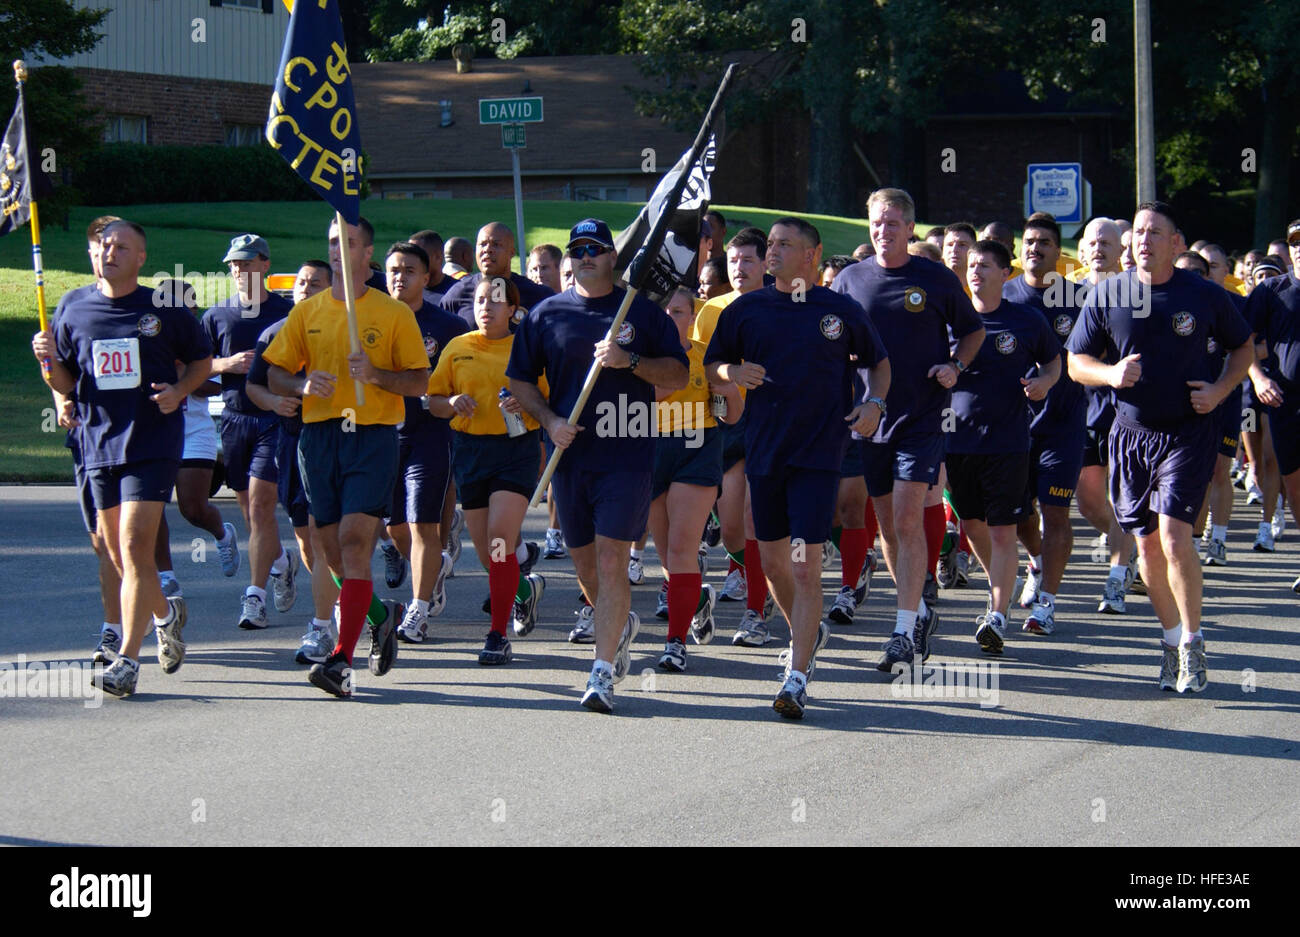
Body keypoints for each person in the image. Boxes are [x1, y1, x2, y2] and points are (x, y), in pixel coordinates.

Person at [1066, 201, 1254, 693]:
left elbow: (1244, 347)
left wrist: (1218, 391)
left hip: (1188, 432)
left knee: (1174, 538)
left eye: (1155, 233)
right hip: (1129, 434)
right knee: (1146, 545)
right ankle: (1170, 640)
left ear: (1176, 243)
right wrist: (1109, 374)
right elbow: (1075, 361)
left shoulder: (1204, 294)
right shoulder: (1109, 294)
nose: (1143, 240)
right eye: (1139, 233)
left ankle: (1194, 641)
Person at [707, 216, 890, 719]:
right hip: (764, 454)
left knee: (807, 565)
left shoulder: (839, 309)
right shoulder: (748, 310)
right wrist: (731, 372)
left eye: (784, 244)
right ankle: (805, 633)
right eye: (770, 243)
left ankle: (798, 675)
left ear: (812, 255)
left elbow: (879, 362)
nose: (772, 251)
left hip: (818, 456)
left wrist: (875, 405)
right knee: (770, 565)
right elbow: (712, 365)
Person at [507, 218, 689, 713]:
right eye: (577, 248)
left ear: (613, 256)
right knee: (586, 566)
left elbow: (678, 372)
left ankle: (602, 671)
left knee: (612, 562)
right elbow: (519, 379)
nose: (585, 255)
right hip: (571, 458)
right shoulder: (548, 314)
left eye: (595, 248)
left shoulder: (641, 313)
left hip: (627, 455)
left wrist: (628, 361)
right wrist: (547, 419)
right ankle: (620, 623)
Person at [32, 219, 213, 697]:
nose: (108, 252)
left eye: (121, 247)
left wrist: (179, 391)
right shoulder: (73, 306)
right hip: (98, 443)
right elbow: (68, 384)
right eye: (103, 245)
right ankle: (166, 613)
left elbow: (202, 361)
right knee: (116, 554)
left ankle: (128, 660)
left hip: (151, 441)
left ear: (140, 258)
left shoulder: (164, 307)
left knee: (134, 549)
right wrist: (47, 363)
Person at [263, 216, 431, 699]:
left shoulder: (393, 313)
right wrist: (300, 383)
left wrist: (377, 375)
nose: (339, 250)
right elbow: (274, 374)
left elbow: (419, 381)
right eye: (333, 241)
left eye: (349, 243)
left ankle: (341, 660)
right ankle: (380, 615)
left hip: (372, 436)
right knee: (326, 548)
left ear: (367, 254)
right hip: (318, 438)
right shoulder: (307, 312)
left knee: (356, 541)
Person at [832, 188, 984, 674]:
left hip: (922, 416)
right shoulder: (851, 280)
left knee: (904, 517)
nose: (883, 231)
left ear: (910, 229)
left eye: (893, 223)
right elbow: (831, 336)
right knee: (889, 531)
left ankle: (900, 632)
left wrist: (955, 365)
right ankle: (916, 611)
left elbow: (974, 330)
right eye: (877, 222)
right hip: (869, 419)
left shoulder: (934, 278)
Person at [428, 277, 547, 664]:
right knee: (489, 553)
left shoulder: (525, 348)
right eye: (481, 300)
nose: (486, 307)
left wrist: (525, 406)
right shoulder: (458, 347)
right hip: (471, 451)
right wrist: (452, 401)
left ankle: (496, 635)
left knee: (499, 540)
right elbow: (432, 402)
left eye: (497, 301)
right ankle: (525, 593)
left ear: (513, 309)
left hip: (516, 451)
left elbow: (548, 398)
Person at [950, 240, 1059, 651]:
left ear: (1005, 274)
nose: (975, 271)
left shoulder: (1027, 321)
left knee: (1002, 530)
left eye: (984, 266)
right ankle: (1006, 581)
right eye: (970, 265)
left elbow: (1053, 362)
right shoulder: (952, 319)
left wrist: (1043, 383)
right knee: (972, 525)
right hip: (956, 441)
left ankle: (997, 613)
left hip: (1008, 442)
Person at [202, 234, 297, 631]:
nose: (239, 270)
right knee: (249, 513)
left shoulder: (289, 313)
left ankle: (254, 597)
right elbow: (195, 368)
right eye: (233, 265)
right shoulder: (216, 316)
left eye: (246, 263)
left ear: (264, 264)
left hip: (274, 419)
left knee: (260, 508)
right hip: (234, 419)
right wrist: (226, 365)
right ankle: (280, 562)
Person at [649, 287, 743, 671]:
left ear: (692, 316)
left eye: (677, 311)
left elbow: (732, 417)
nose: (670, 317)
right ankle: (696, 600)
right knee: (666, 555)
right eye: (664, 311)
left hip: (697, 449)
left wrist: (727, 390)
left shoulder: (707, 357)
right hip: (649, 448)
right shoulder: (642, 359)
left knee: (682, 546)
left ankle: (675, 642)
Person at [1003, 212, 1088, 636]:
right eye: (1030, 241)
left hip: (1064, 423)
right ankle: (1036, 563)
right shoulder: (1005, 296)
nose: (1035, 248)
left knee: (1055, 511)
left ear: (1059, 253)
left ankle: (1048, 605)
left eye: (1045, 243)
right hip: (1013, 427)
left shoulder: (1078, 299)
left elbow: (1095, 357)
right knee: (1019, 519)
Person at [383, 242, 470, 643]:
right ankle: (433, 570)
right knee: (394, 527)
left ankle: (417, 610)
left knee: (422, 525)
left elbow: (464, 375)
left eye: (409, 271)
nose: (400, 277)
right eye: (393, 270)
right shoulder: (371, 320)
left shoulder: (447, 326)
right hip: (381, 433)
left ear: (426, 276)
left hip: (430, 434)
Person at [693, 227, 775, 645]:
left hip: (772, 422)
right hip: (726, 423)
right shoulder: (712, 311)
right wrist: (726, 379)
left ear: (765, 264)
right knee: (730, 530)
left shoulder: (782, 305)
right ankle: (759, 577)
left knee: (755, 521)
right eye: (733, 260)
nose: (739, 268)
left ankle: (755, 613)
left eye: (748, 260)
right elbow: (701, 369)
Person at [1243, 219, 1300, 591]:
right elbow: (1241, 341)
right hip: (1286, 402)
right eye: (1296, 241)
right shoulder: (1271, 291)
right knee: (1294, 484)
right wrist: (1259, 379)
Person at [440, 223, 555, 328]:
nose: (488, 250)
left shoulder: (538, 296)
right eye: (482, 244)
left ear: (512, 252)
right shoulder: (457, 295)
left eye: (496, 244)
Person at [409, 230, 454, 301]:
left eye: (418, 256)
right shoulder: (407, 291)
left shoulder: (456, 292)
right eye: (410, 256)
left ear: (438, 257)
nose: (411, 261)